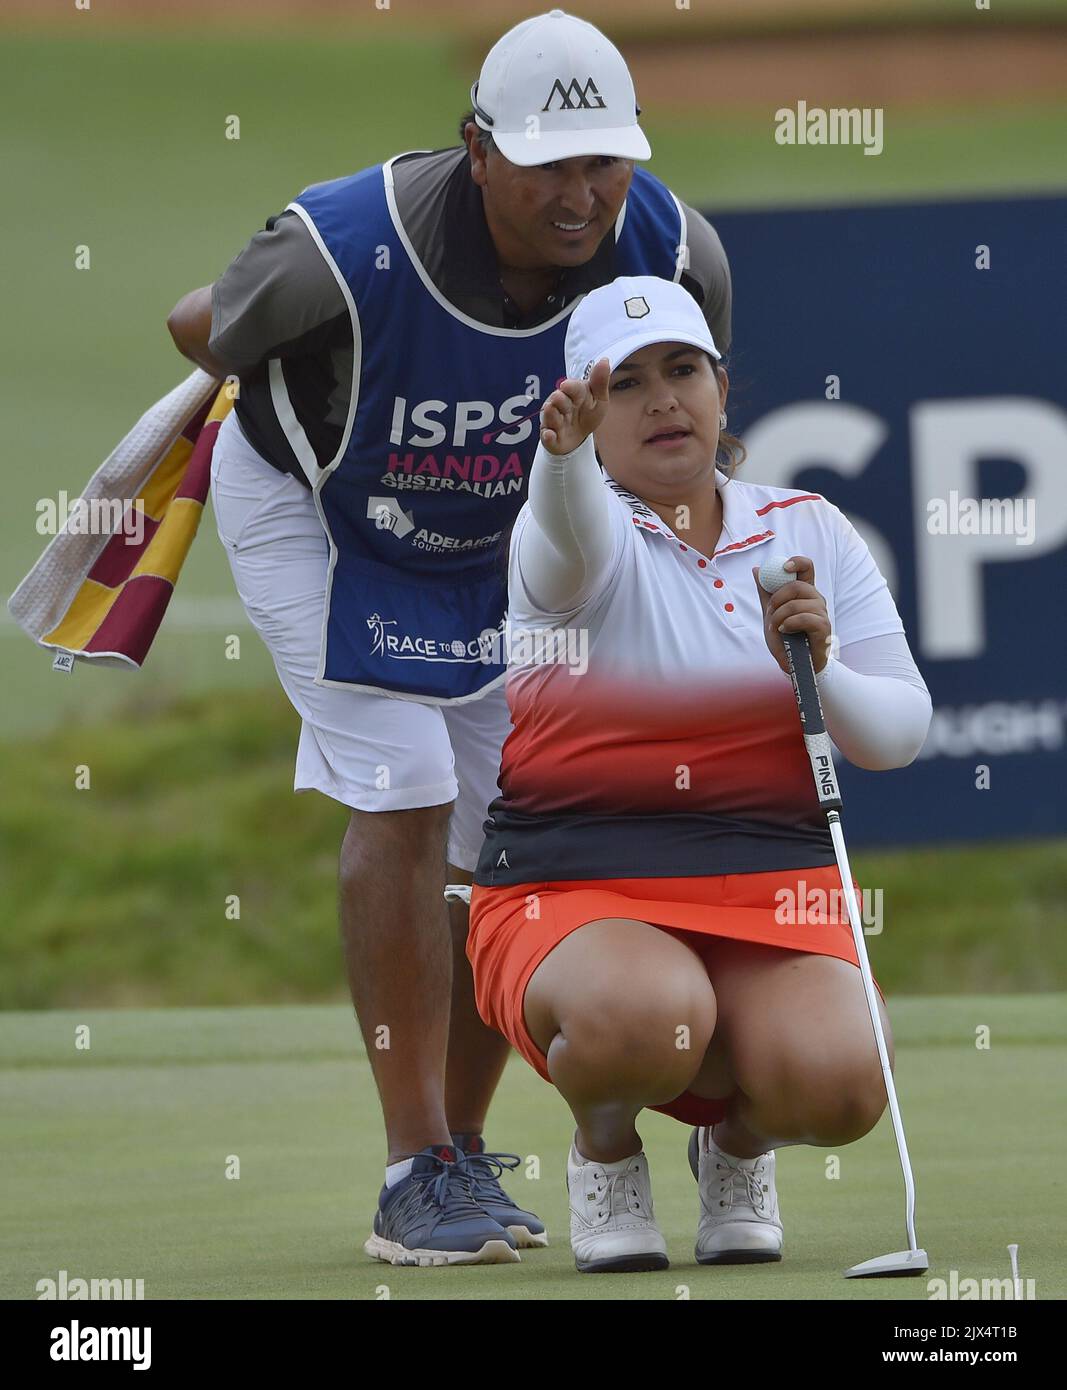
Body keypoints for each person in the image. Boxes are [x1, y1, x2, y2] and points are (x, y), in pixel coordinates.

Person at [164, 10, 733, 1267]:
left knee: (508, 822)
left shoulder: (670, 251)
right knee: (402, 778)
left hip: (493, 532)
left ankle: (460, 1159)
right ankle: (406, 1165)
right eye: (549, 164)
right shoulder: (338, 247)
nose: (582, 196)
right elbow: (200, 324)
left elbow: (679, 415)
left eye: (605, 161)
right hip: (319, 514)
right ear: (477, 148)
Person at [467, 273, 933, 1273]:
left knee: (840, 1082)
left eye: (681, 370)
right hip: (574, 876)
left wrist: (821, 667)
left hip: (769, 876)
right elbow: (565, 535)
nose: (662, 399)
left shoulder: (809, 527)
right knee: (644, 1014)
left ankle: (734, 1150)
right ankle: (603, 1153)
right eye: (623, 385)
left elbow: (894, 734)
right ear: (586, 419)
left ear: (722, 389)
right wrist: (556, 462)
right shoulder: (573, 533)